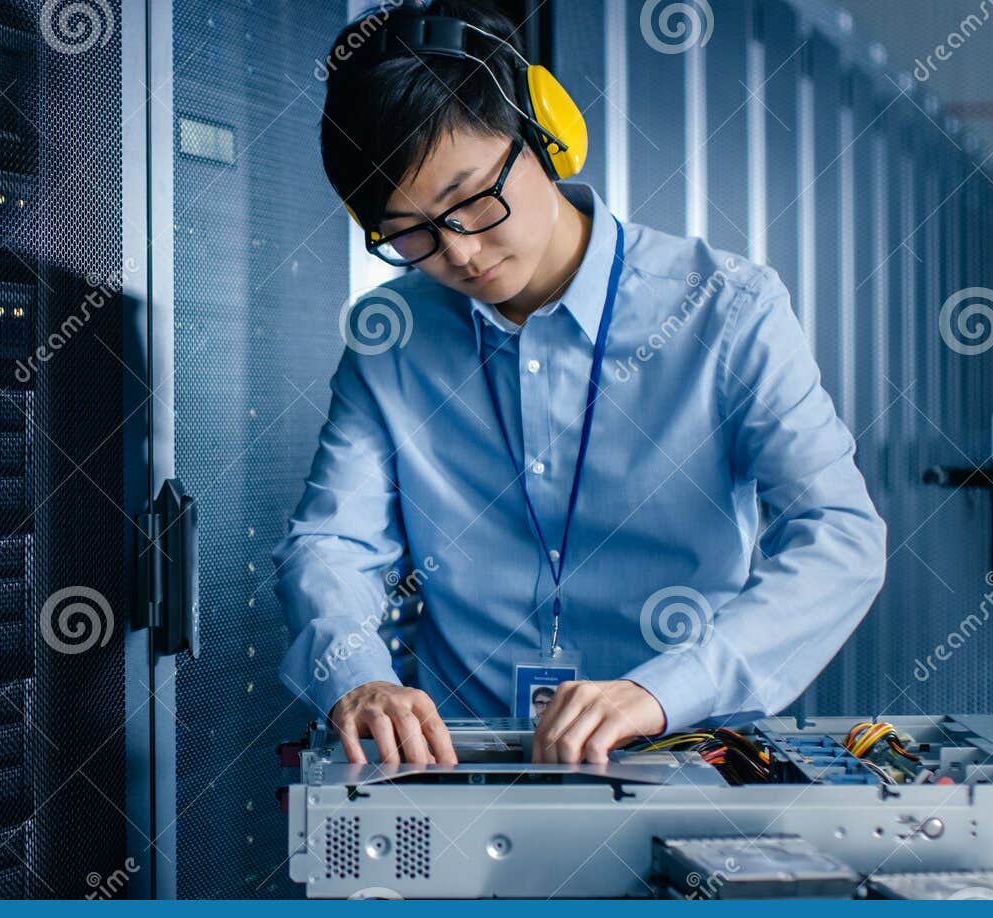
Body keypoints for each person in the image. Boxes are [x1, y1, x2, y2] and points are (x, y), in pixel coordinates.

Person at [274, 0, 886, 768]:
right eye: (411, 233)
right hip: (462, 767)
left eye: (470, 200)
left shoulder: (727, 309)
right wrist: (358, 678)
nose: (458, 253)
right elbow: (334, 540)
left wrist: (664, 688)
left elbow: (840, 536)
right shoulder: (390, 336)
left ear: (543, 134)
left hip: (681, 751)